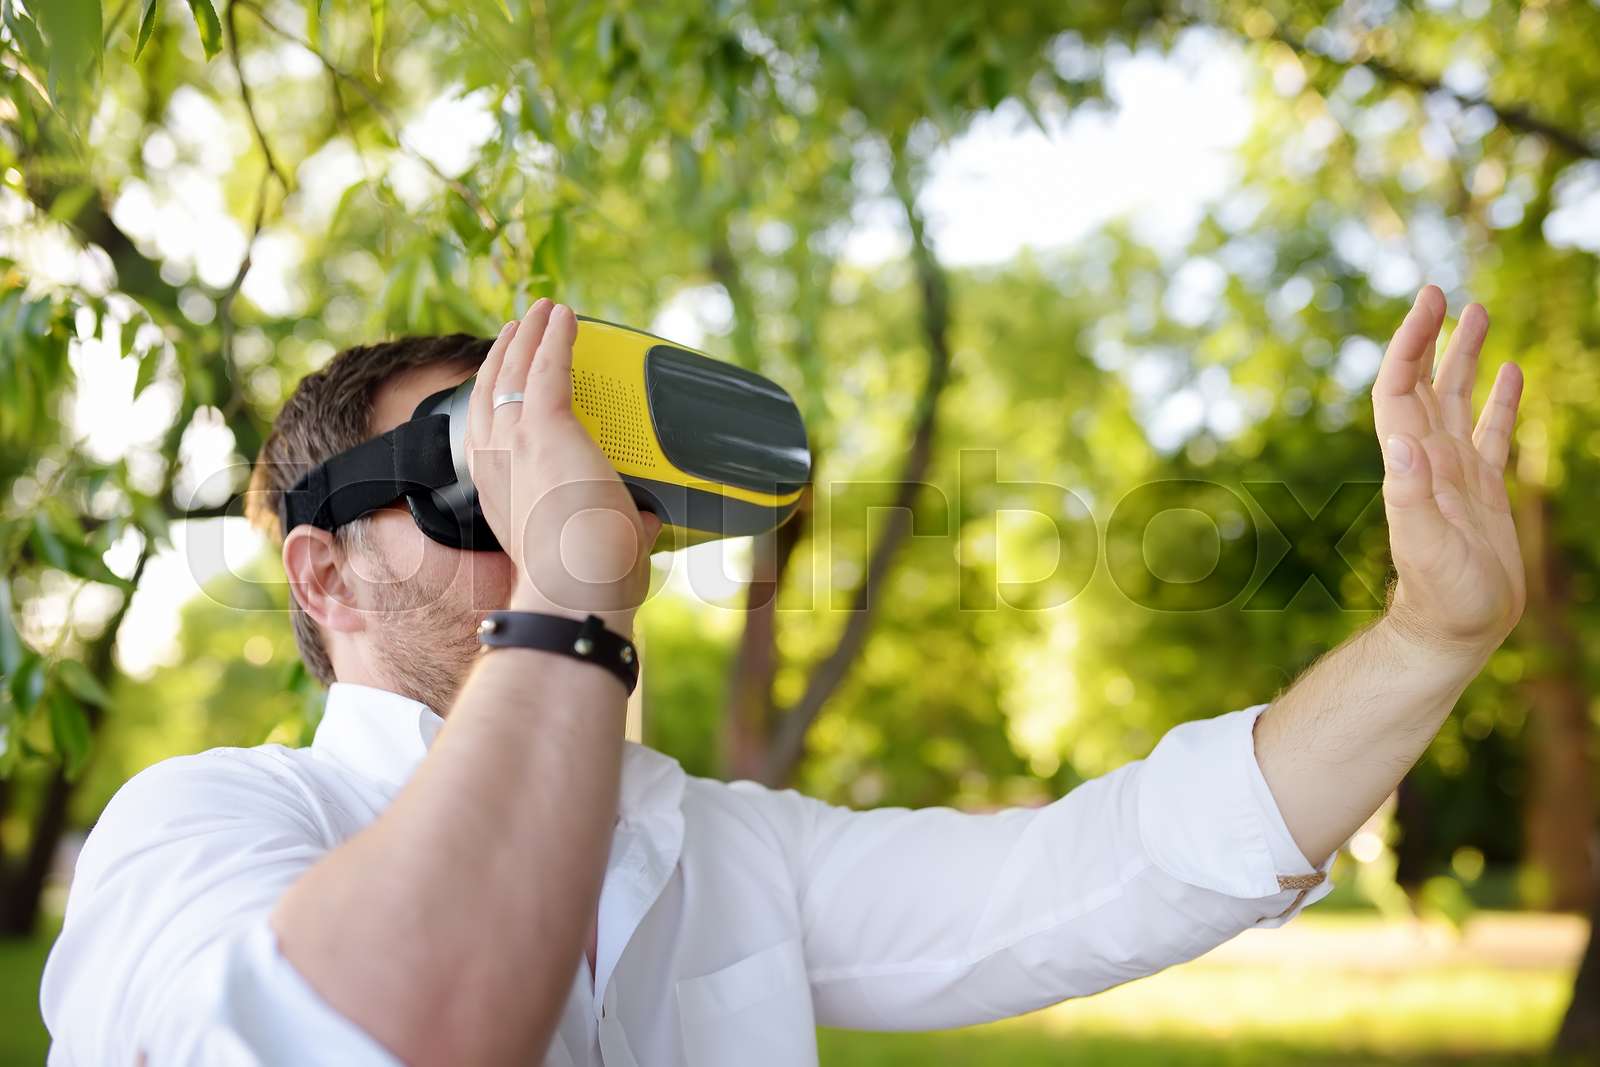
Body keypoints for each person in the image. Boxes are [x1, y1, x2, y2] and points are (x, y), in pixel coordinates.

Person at [40, 291, 1525, 1066]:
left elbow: (1110, 866)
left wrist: (1428, 641)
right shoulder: (201, 827)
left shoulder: (704, 840)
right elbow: (375, 1046)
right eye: (475, 473)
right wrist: (566, 603)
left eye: (557, 476)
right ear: (322, 575)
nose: (562, 514)